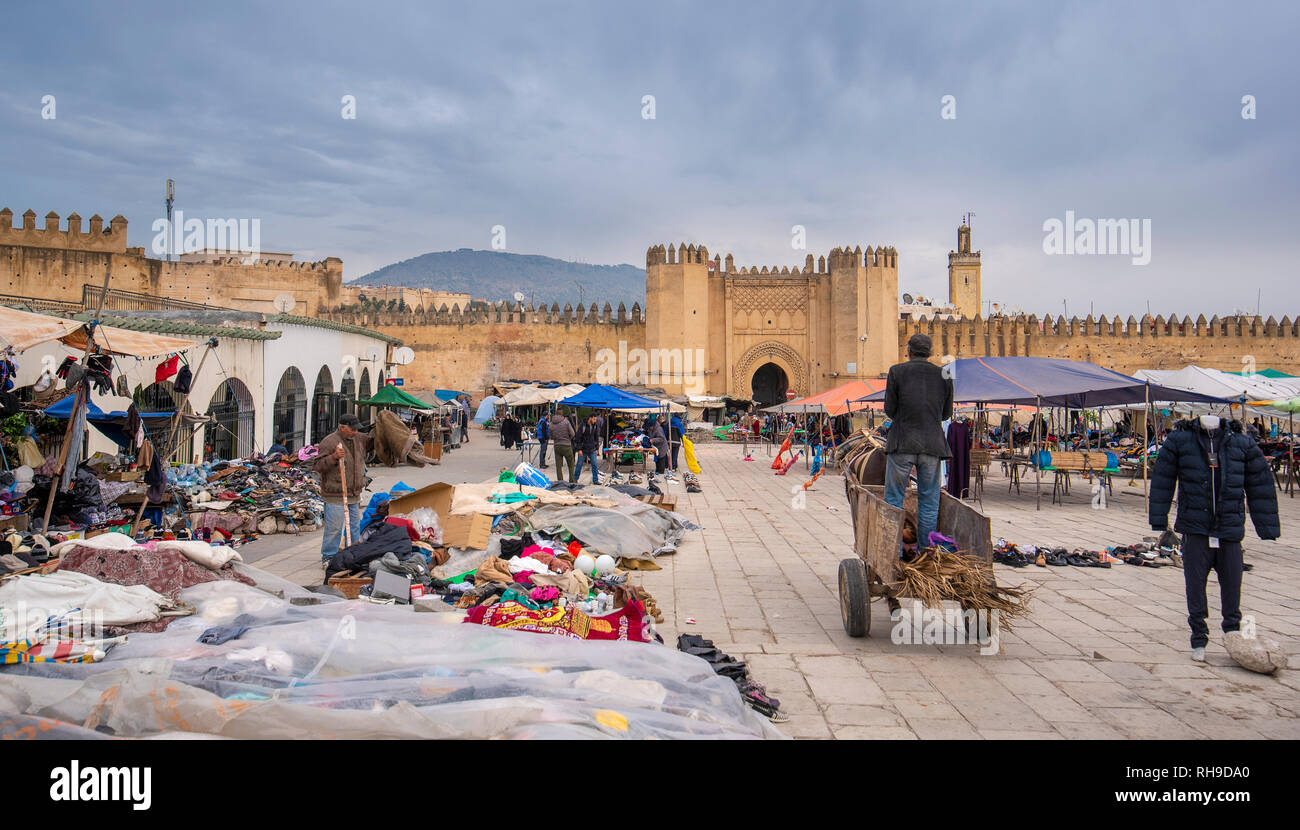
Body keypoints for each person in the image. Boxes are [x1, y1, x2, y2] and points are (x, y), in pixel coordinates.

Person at [1149, 414, 1280, 662]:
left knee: (1232, 585)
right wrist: (1159, 519)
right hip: (1195, 528)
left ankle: (1233, 634)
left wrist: (1267, 528)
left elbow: (1260, 484)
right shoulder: (1179, 441)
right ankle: (1199, 638)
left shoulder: (1242, 443)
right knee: (1195, 586)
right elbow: (1163, 479)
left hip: (1229, 528)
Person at [883, 333, 954, 556]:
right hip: (932, 446)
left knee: (894, 499)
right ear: (930, 352)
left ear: (909, 351)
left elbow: (889, 410)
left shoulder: (897, 371)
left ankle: (895, 554)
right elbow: (946, 413)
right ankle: (926, 553)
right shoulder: (944, 374)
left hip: (902, 443)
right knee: (929, 501)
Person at [315, 413, 371, 562]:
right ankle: (329, 556)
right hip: (335, 493)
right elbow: (318, 465)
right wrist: (333, 457)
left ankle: (352, 553)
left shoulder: (359, 439)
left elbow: (373, 442)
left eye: (356, 429)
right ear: (342, 427)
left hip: (353, 493)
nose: (355, 432)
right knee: (334, 528)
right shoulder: (329, 442)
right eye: (352, 429)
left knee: (354, 527)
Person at [573, 413, 601, 484]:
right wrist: (579, 449)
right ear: (590, 418)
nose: (595, 421)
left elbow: (596, 438)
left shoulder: (595, 426)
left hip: (592, 449)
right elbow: (578, 438)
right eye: (594, 419)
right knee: (579, 464)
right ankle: (575, 479)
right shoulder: (582, 425)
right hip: (583, 449)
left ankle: (595, 480)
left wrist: (597, 448)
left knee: (594, 464)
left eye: (596, 419)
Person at [549, 408, 576, 482]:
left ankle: (560, 481)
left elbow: (551, 436)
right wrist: (568, 439)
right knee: (571, 464)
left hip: (557, 446)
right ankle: (571, 480)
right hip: (566, 445)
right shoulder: (566, 422)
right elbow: (573, 433)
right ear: (562, 413)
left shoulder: (551, 424)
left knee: (558, 466)